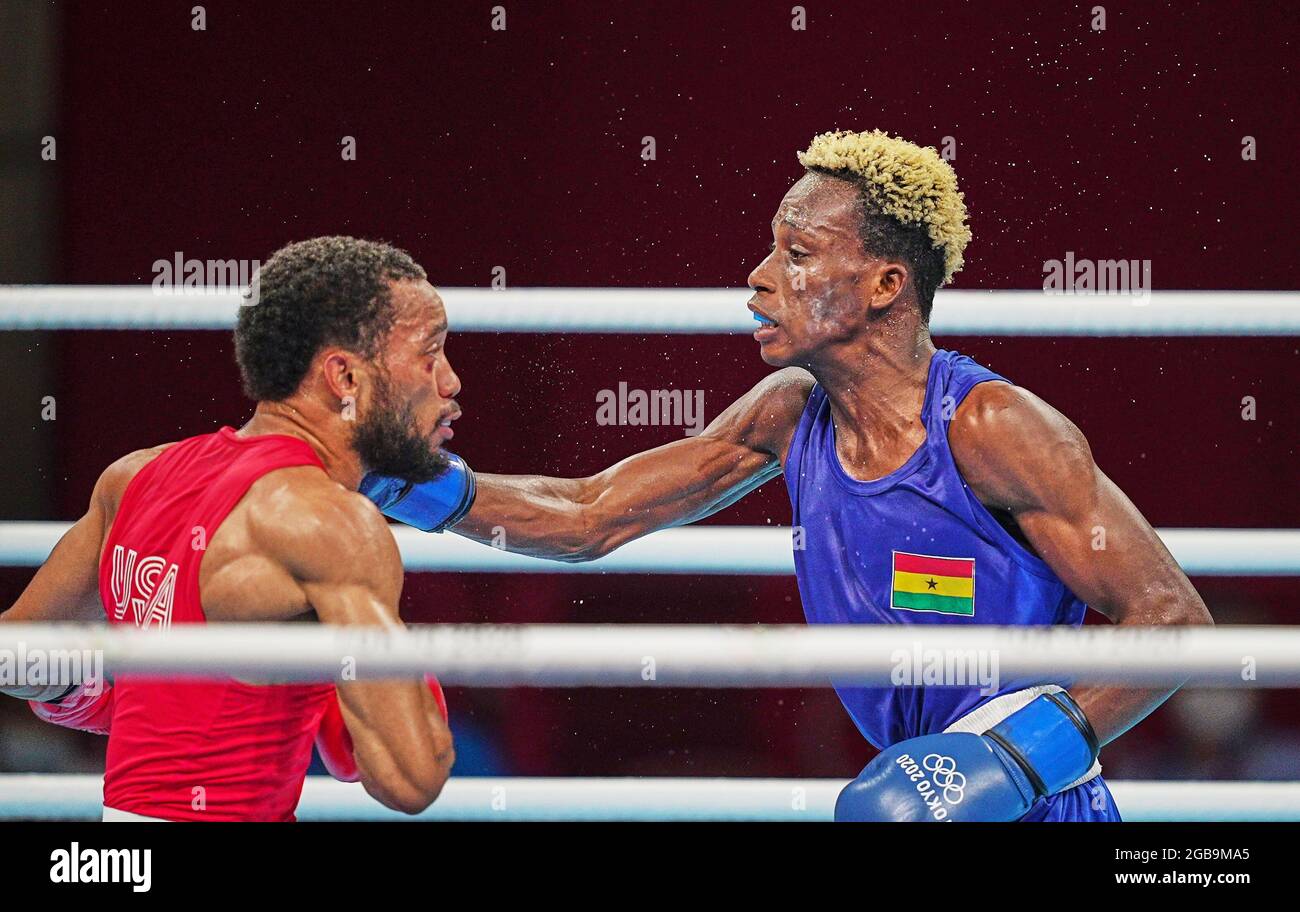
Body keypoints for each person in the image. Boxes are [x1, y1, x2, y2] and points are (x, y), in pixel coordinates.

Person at [366, 130, 1214, 821]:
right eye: (772, 248)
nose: (762, 277)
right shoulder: (789, 412)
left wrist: (1015, 762)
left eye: (797, 252)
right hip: (909, 794)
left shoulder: (990, 427)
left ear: (886, 284)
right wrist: (406, 483)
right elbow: (593, 513)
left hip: (1038, 803)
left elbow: (1173, 620)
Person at [1, 236, 462, 821]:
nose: (450, 382)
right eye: (431, 353)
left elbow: (17, 653)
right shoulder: (334, 523)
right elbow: (411, 778)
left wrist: (110, 694)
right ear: (344, 378)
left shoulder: (136, 477)